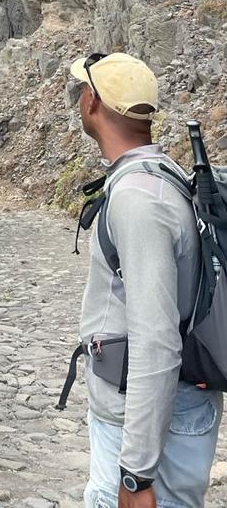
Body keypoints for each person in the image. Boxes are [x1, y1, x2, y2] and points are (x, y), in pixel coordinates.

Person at [67, 51, 223, 508]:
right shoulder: (164, 175)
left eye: (81, 91)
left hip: (146, 421)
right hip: (169, 410)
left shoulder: (138, 199)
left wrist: (136, 474)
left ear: (92, 102)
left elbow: (155, 338)